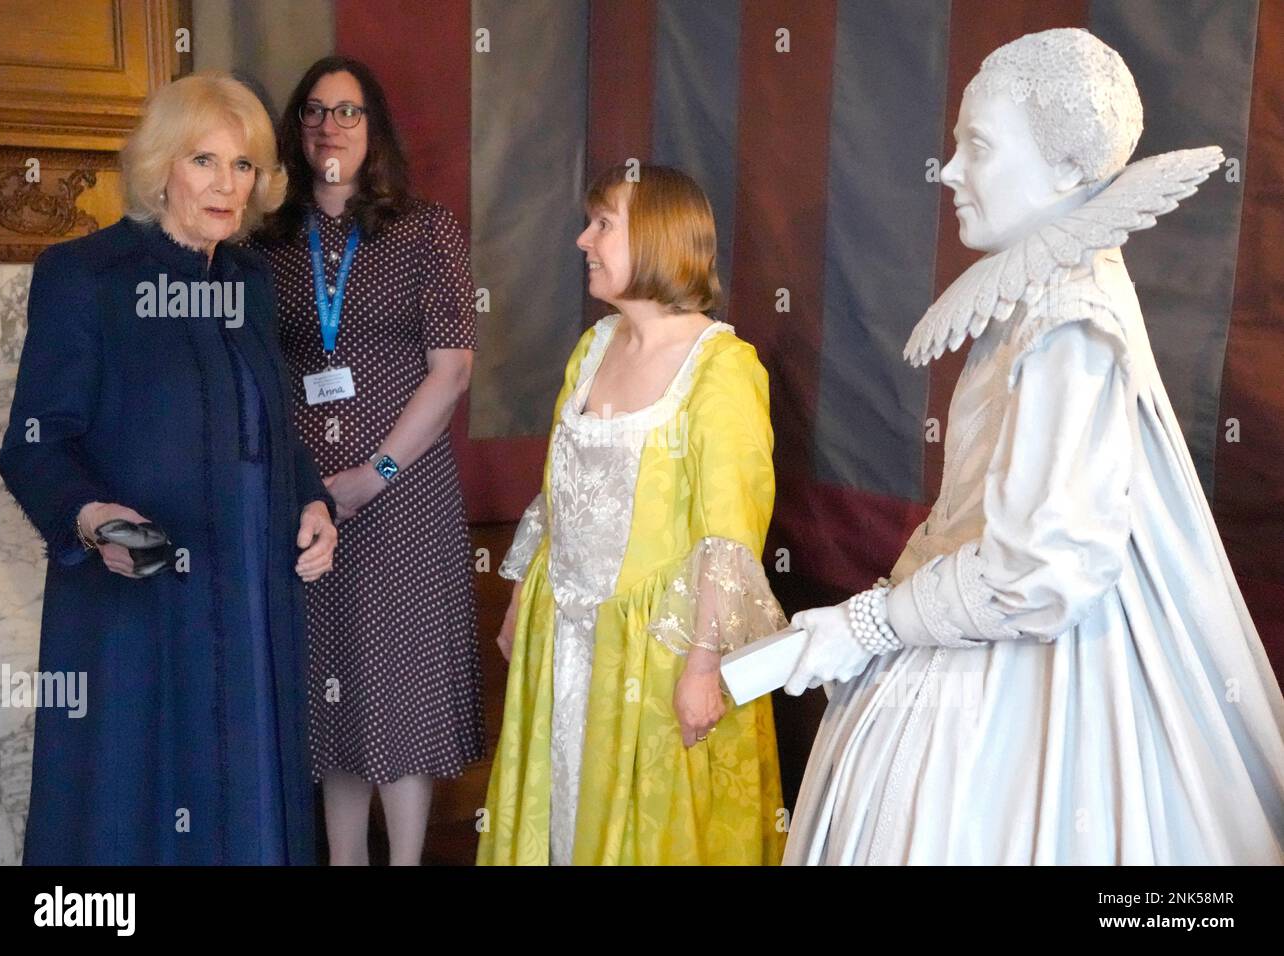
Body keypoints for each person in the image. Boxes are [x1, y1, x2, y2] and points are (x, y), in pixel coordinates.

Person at [782, 28, 1284, 865]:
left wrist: (869, 625)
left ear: (1065, 170)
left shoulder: (1068, 319)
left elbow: (1040, 568)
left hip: (1043, 672)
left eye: (977, 146)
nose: (949, 170)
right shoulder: (1039, 296)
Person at [0, 72, 338, 865]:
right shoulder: (85, 274)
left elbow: (273, 434)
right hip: (140, 600)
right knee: (136, 808)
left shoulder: (252, 282)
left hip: (253, 597)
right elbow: (35, 444)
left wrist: (314, 503)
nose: (226, 184)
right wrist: (95, 522)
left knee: (250, 799)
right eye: (203, 161)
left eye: (243, 165)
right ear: (161, 168)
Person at [477, 164, 788, 865]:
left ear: (656, 237)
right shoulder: (594, 347)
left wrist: (703, 666)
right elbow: (558, 487)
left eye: (603, 225)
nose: (583, 240)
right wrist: (523, 597)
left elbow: (729, 534)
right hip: (565, 634)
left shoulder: (721, 368)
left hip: (657, 652)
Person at [250, 56, 484, 866]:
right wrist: (315, 488)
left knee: (400, 695)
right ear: (296, 128)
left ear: (373, 127)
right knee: (334, 696)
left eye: (348, 111)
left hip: (403, 496)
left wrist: (371, 476)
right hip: (306, 499)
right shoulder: (266, 243)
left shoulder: (424, 230)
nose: (330, 126)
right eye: (315, 111)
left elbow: (452, 370)